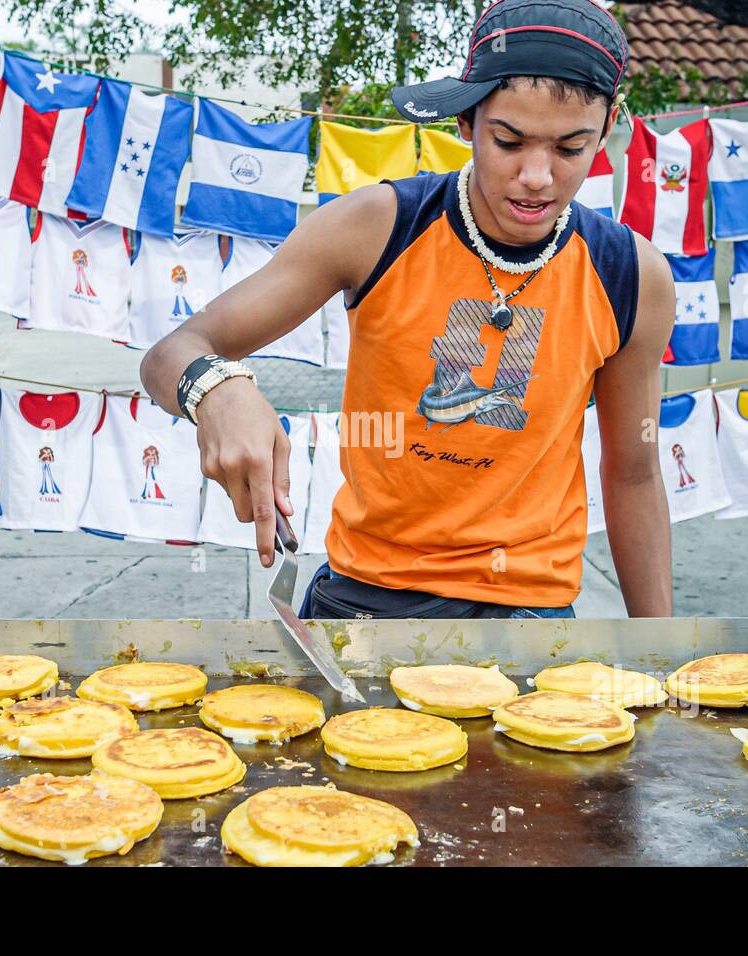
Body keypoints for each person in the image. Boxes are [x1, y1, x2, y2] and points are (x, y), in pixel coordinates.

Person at [141, 0, 674, 619]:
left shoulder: (631, 274)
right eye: (508, 140)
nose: (536, 176)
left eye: (570, 148)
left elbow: (633, 472)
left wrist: (659, 650)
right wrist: (217, 388)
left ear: (609, 126)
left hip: (529, 614)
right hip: (364, 599)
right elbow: (171, 354)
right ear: (465, 122)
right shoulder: (377, 226)